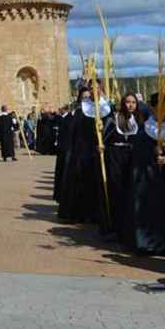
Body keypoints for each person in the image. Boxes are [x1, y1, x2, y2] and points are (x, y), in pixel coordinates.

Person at [125, 93, 165, 255]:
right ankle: (149, 244)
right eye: (159, 107)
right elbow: (137, 159)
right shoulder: (145, 130)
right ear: (152, 108)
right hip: (149, 179)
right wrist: (152, 158)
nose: (163, 110)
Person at [57, 83, 110, 228]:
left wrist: (104, 132)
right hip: (84, 151)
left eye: (97, 88)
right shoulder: (82, 110)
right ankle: (84, 213)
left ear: (101, 90)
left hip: (102, 150)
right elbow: (76, 133)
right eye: (92, 89)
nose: (95, 91)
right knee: (84, 182)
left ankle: (102, 215)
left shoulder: (107, 108)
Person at [106, 93, 141, 244]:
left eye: (133, 102)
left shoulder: (140, 119)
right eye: (127, 102)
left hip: (133, 157)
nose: (130, 105)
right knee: (118, 191)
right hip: (117, 157)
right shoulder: (115, 118)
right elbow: (106, 137)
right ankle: (116, 228)